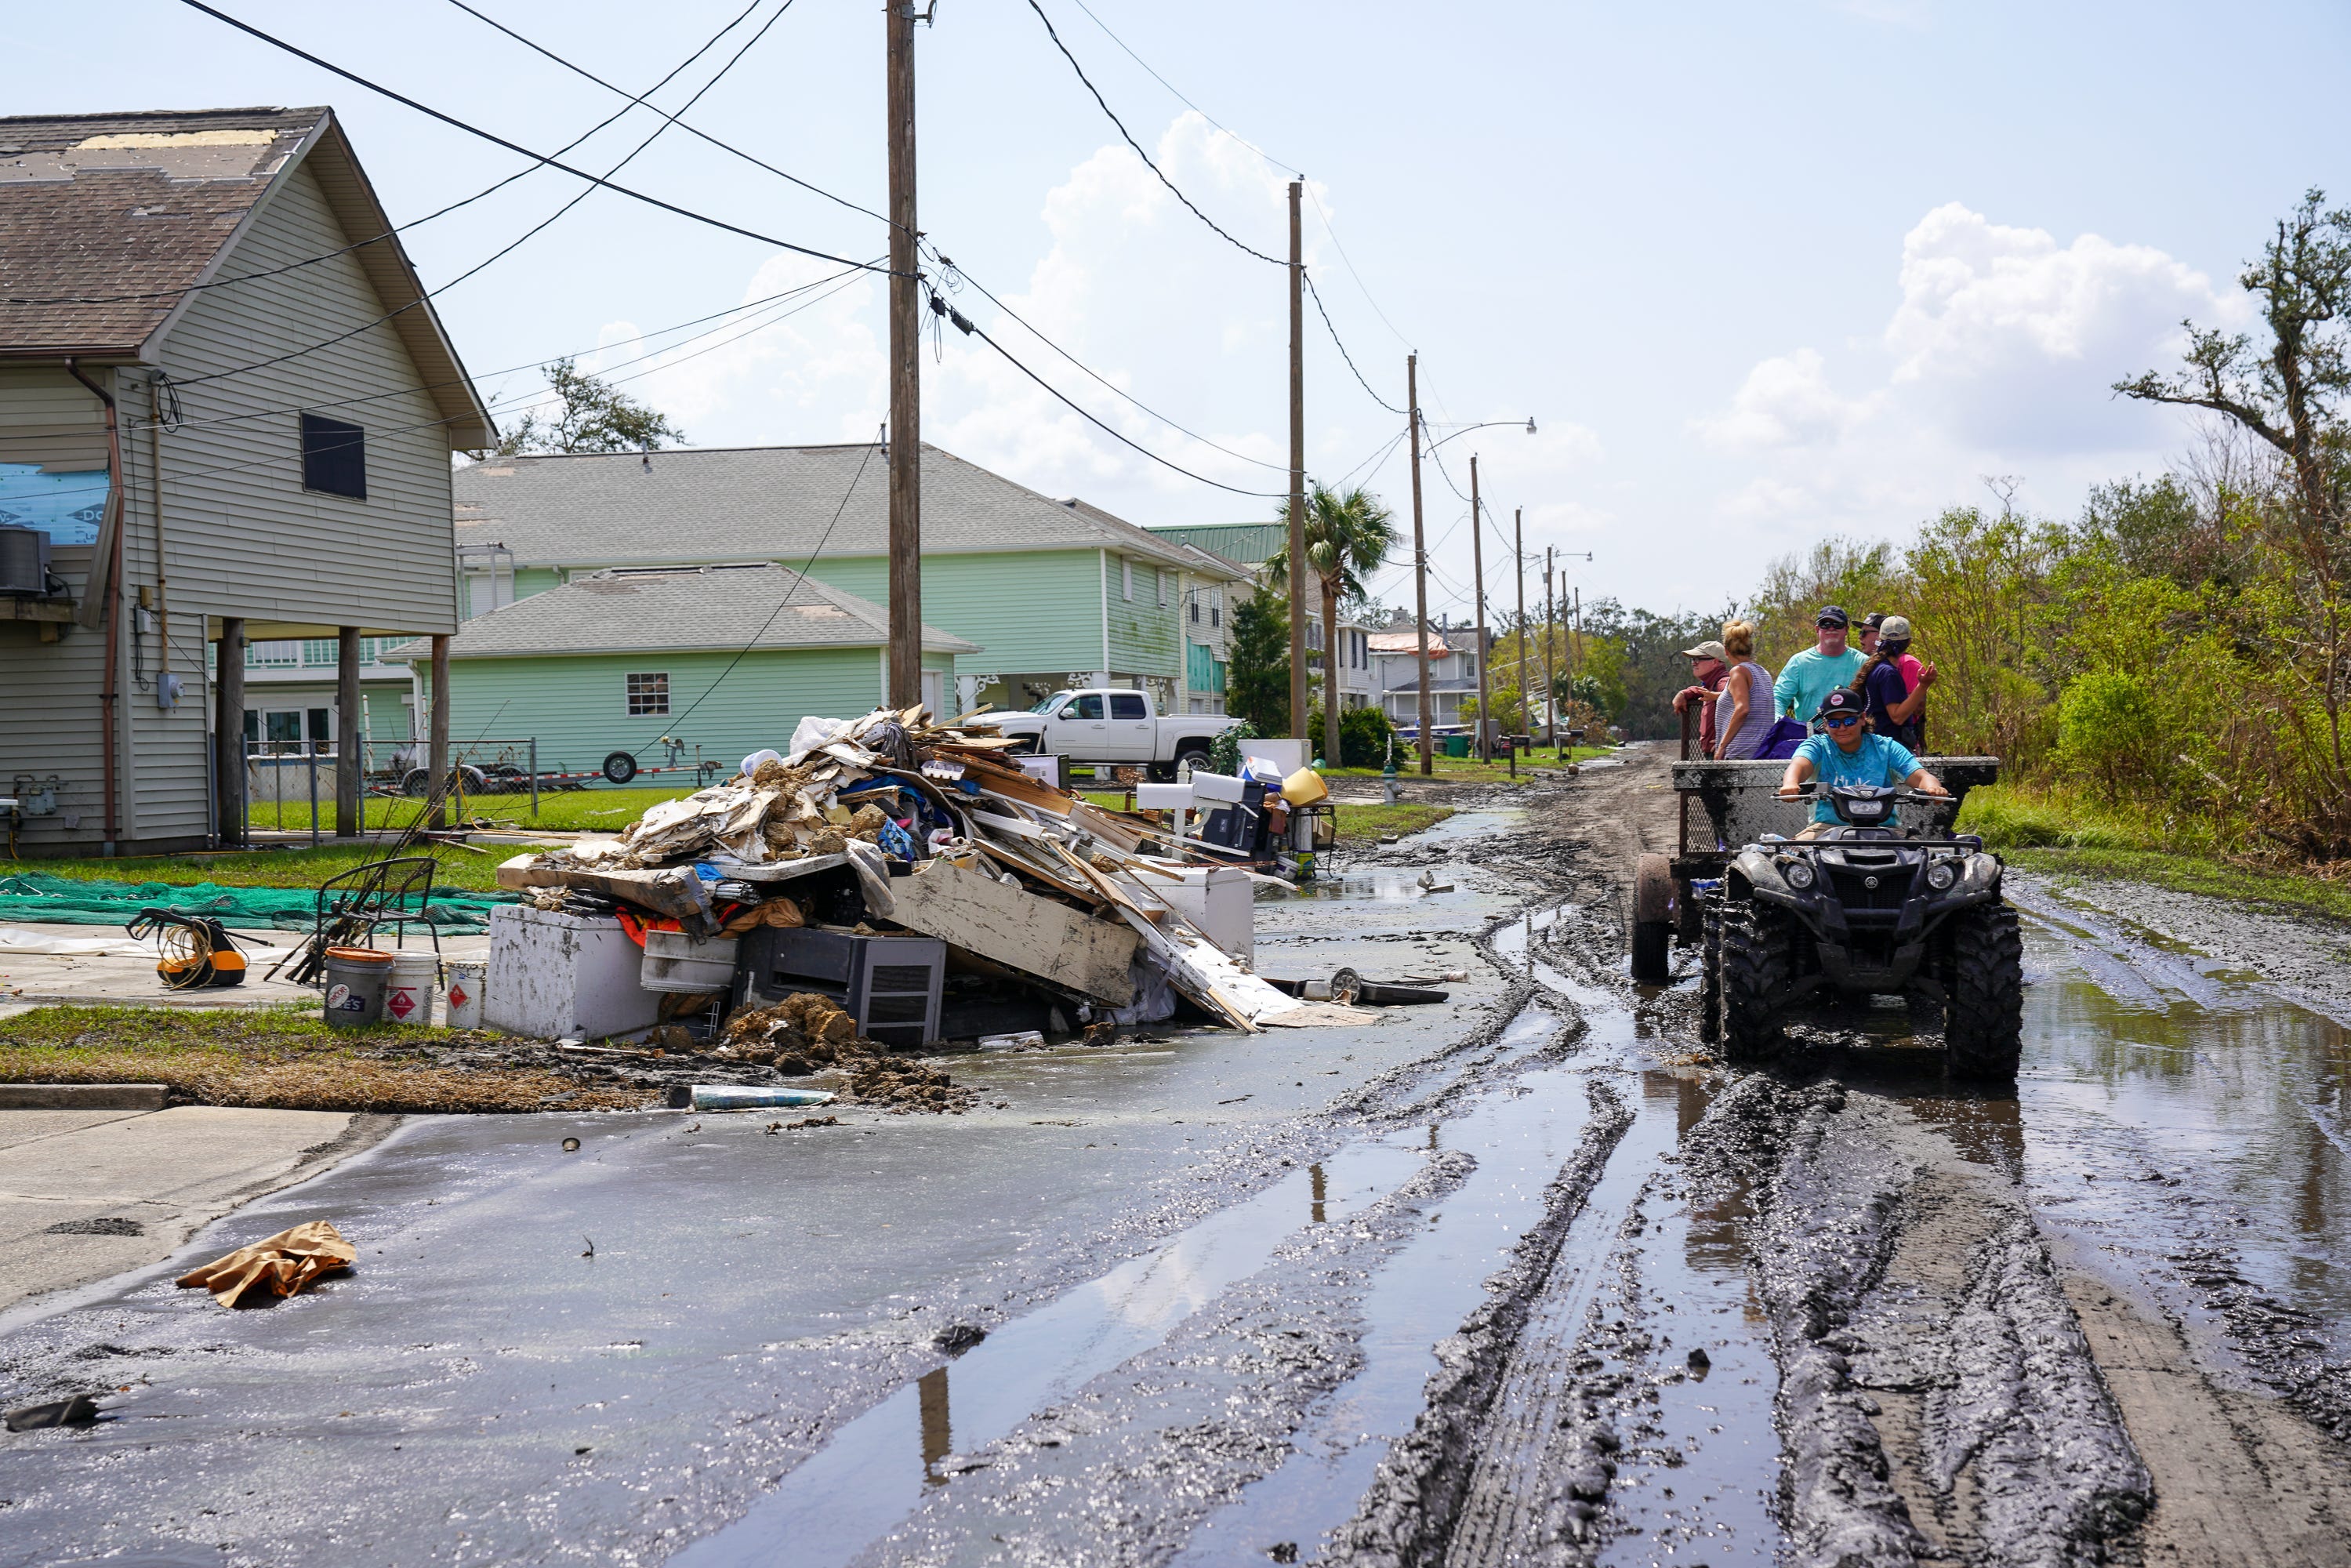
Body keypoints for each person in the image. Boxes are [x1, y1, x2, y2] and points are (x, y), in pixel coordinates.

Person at [1779, 687, 1946, 839]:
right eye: (1834, 723)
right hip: (1826, 829)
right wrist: (1791, 783)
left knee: (1921, 859)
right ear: (1825, 725)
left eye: (1849, 721)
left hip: (1886, 830)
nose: (1842, 728)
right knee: (1794, 858)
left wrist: (1933, 788)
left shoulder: (1886, 747)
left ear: (1863, 719)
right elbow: (1799, 765)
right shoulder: (1818, 746)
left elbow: (1920, 775)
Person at [1852, 613, 1936, 750]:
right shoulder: (1888, 673)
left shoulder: (1877, 667)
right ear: (1909, 642)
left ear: (1880, 638)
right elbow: (1897, 717)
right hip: (1886, 747)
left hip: (1875, 744)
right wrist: (1923, 685)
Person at [1773, 605, 1866, 723]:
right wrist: (1779, 722)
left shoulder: (1862, 662)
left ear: (1846, 630)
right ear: (1817, 629)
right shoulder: (1799, 662)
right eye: (1825, 624)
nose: (1831, 628)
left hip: (1851, 736)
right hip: (1809, 738)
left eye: (1837, 624)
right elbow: (1779, 698)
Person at [1712, 620, 1776, 759]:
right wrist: (1715, 696)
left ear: (1726, 650)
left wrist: (1722, 746)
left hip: (1741, 753)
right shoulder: (1763, 673)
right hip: (1762, 751)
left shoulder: (1738, 672)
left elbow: (1742, 709)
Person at [1673, 639, 1729, 757]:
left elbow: (1737, 701)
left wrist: (1724, 743)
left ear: (1715, 662)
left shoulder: (1723, 682)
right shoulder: (1712, 685)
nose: (1694, 663)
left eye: (1698, 659)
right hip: (1715, 752)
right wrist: (1683, 693)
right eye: (1693, 659)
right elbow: (1704, 692)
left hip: (1720, 754)